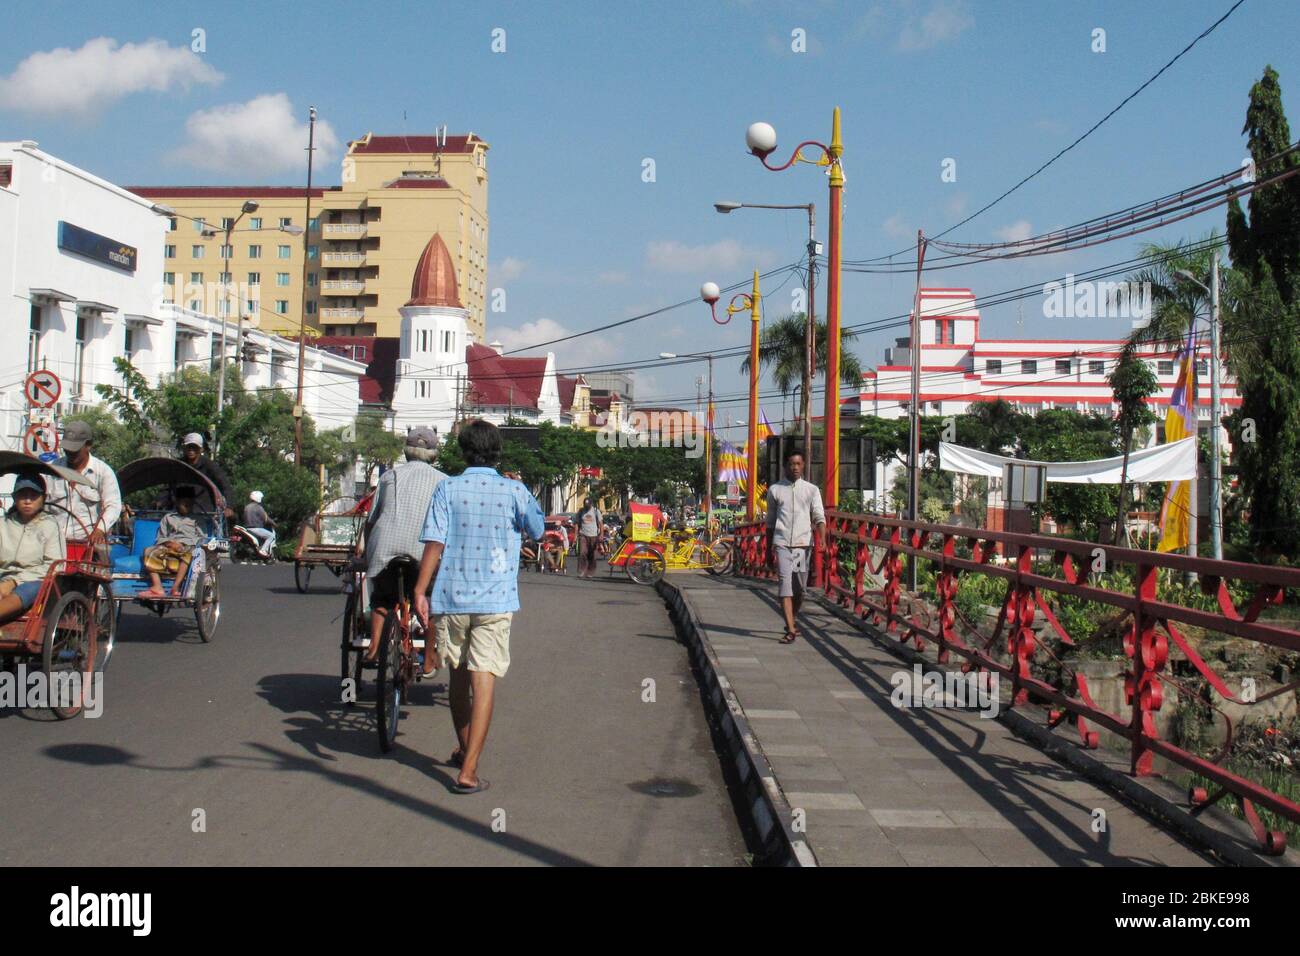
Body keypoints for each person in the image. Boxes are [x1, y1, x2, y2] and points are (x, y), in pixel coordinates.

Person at [414, 420, 544, 795]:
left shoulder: (447, 488)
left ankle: (465, 750)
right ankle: (469, 769)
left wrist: (421, 592)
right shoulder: (514, 490)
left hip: (452, 596)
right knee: (482, 678)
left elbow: (434, 544)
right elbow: (537, 530)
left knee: (457, 679)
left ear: (464, 452)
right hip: (496, 599)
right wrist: (520, 488)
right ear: (497, 452)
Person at [358, 427, 446, 675]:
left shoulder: (389, 477)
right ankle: (428, 660)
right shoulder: (443, 481)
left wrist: (366, 555)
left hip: (385, 547)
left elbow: (372, 520)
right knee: (430, 603)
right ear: (433, 455)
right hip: (424, 552)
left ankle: (374, 648)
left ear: (406, 453)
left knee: (382, 598)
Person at [765, 449, 826, 645]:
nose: (795, 467)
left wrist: (822, 537)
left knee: (799, 589)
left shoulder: (811, 490)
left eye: (799, 464)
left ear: (804, 465)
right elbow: (770, 522)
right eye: (792, 464)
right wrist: (768, 548)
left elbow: (818, 516)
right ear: (785, 466)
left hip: (802, 545)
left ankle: (792, 617)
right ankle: (790, 629)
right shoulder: (775, 490)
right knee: (785, 584)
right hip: (782, 543)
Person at [0, 472, 65, 624]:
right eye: (22, 496)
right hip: (3, 574)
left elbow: (55, 565)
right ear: (14, 498)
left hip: (34, 580)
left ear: (43, 498)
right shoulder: (3, 524)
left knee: (28, 590)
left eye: (33, 496)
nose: (27, 501)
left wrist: (14, 581)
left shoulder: (50, 525)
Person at [47, 420, 122, 542]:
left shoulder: (103, 472)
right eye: (67, 449)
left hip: (86, 543)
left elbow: (113, 505)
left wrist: (100, 530)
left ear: (88, 445)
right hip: (53, 542)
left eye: (75, 450)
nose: (70, 453)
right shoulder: (53, 469)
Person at [140, 486, 204, 598]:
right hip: (170, 546)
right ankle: (157, 586)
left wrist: (187, 544)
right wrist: (170, 543)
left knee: (190, 554)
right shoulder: (168, 517)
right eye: (184, 503)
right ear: (177, 502)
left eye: (189, 503)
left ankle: (175, 587)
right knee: (148, 551)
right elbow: (160, 537)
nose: (187, 506)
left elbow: (202, 538)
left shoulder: (197, 519)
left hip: (189, 546)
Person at [179, 433, 234, 520]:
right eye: (189, 447)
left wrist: (229, 507)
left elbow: (225, 485)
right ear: (184, 448)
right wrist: (160, 500)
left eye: (195, 447)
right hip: (181, 513)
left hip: (204, 514)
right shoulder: (179, 464)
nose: (191, 450)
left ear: (201, 449)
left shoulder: (209, 465)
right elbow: (169, 485)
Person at [575, 497, 603, 579]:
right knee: (582, 553)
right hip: (583, 535)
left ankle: (590, 571)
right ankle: (581, 571)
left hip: (594, 536)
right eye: (585, 505)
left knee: (593, 555)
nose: (586, 507)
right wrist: (575, 535)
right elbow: (577, 524)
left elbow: (601, 523)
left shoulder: (595, 511)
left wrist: (601, 534)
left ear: (591, 504)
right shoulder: (581, 511)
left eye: (588, 505)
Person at [243, 491, 277, 558]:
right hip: (257, 529)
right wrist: (273, 523)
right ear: (258, 498)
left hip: (247, 529)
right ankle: (263, 550)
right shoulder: (258, 507)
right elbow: (266, 518)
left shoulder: (246, 507)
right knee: (271, 536)